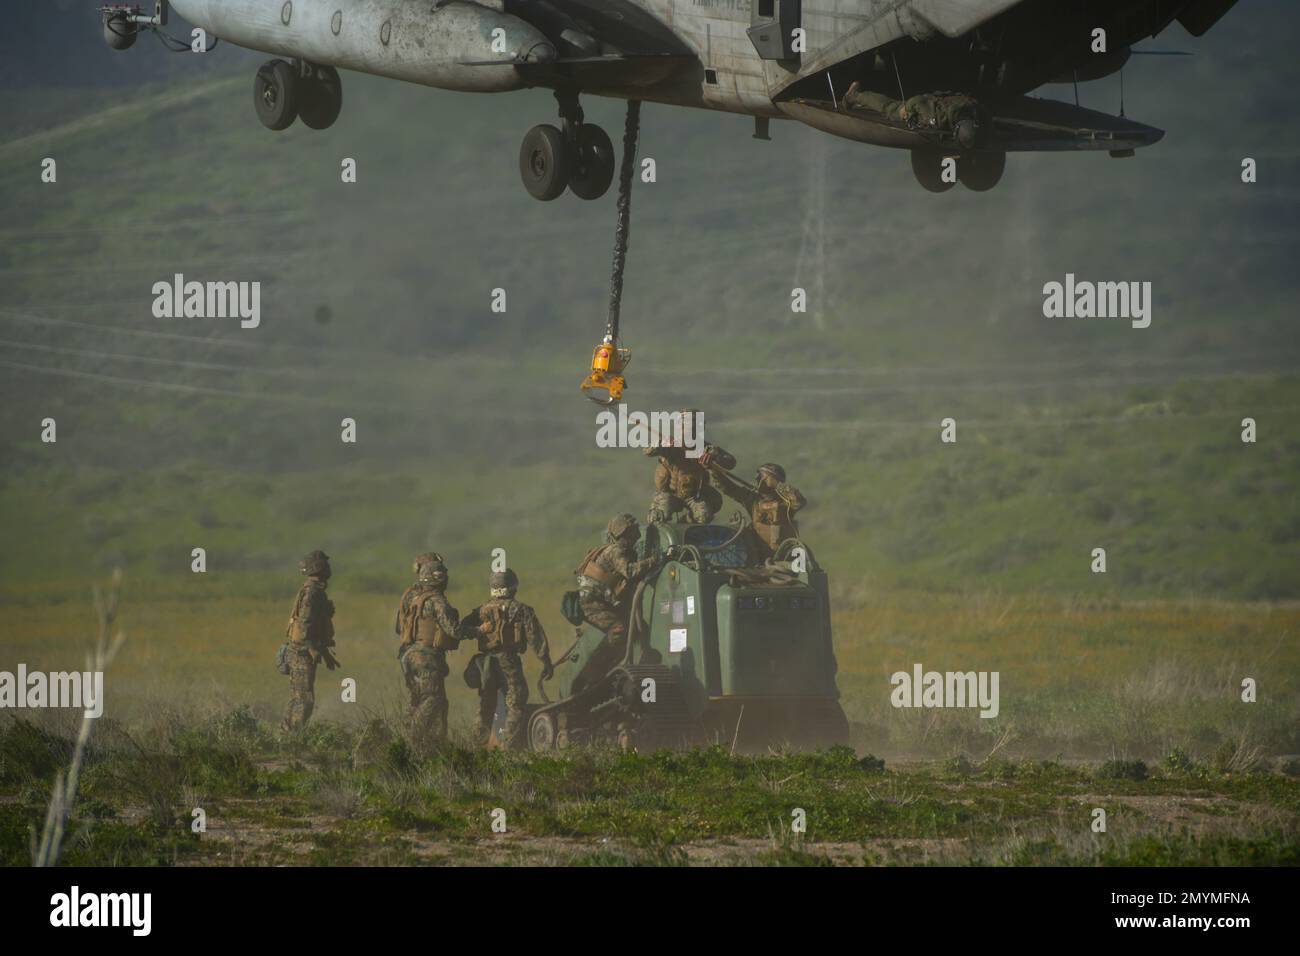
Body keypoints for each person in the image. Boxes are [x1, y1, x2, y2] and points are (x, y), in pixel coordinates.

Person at [459, 569, 552, 748]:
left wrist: (478, 631)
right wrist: (546, 662)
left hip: (486, 663)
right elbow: (536, 637)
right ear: (513, 587)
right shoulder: (521, 609)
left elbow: (462, 629)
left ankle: (475, 748)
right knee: (516, 702)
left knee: (486, 705)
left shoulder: (481, 610)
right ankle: (508, 748)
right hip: (508, 662)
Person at [570, 513, 662, 692]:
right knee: (619, 632)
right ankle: (592, 678)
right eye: (631, 533)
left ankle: (622, 669)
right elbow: (629, 572)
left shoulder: (624, 551)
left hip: (603, 601)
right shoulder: (616, 551)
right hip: (592, 602)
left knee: (635, 631)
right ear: (623, 535)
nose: (635, 536)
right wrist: (655, 560)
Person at [395, 552, 460, 749]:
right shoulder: (437, 600)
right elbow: (453, 630)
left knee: (419, 699)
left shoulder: (411, 596)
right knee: (432, 698)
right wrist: (478, 630)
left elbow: (399, 626)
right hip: (427, 657)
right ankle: (413, 741)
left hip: (408, 655)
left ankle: (419, 743)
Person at [280, 549, 338, 733]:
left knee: (299, 697)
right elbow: (305, 625)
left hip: (301, 650)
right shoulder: (312, 593)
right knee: (304, 700)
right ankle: (292, 741)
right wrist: (312, 648)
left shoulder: (314, 591)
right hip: (301, 652)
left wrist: (325, 653)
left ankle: (287, 737)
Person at [644, 410, 736, 525]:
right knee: (658, 518)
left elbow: (731, 462)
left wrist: (715, 456)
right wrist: (661, 443)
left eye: (694, 428)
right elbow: (647, 451)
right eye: (686, 427)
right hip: (670, 493)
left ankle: (686, 524)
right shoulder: (671, 444)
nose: (690, 431)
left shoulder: (706, 448)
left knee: (704, 517)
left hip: (694, 495)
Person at [709, 462, 807, 562]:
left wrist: (778, 485)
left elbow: (799, 502)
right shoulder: (753, 500)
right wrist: (714, 470)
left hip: (785, 557)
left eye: (761, 476)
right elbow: (730, 488)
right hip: (758, 558)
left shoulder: (786, 503)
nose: (757, 479)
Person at [843, 81, 983, 148]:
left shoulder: (971, 110)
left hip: (935, 101)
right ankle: (853, 96)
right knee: (889, 108)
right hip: (920, 106)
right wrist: (907, 111)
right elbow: (917, 101)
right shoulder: (936, 119)